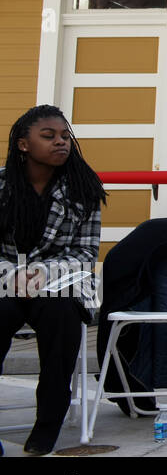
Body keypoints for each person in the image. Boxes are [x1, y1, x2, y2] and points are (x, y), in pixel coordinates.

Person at [0, 105, 105, 455]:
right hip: (5, 281)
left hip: (60, 282)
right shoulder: (1, 186)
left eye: (64, 136)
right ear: (23, 144)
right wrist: (12, 274)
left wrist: (43, 272)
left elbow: (85, 253)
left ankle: (46, 429)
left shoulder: (83, 189)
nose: (61, 143)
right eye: (49, 136)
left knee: (62, 321)